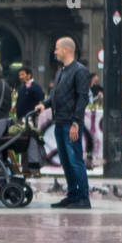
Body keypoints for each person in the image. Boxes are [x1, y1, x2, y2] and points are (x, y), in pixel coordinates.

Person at [35, 37, 92, 208]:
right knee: (66, 162)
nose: (55, 51)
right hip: (59, 122)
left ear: (67, 50)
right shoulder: (61, 71)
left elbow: (83, 98)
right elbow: (54, 96)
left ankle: (83, 198)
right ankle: (73, 195)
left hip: (71, 123)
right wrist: (43, 105)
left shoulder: (80, 71)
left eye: (57, 48)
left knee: (75, 161)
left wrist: (76, 122)